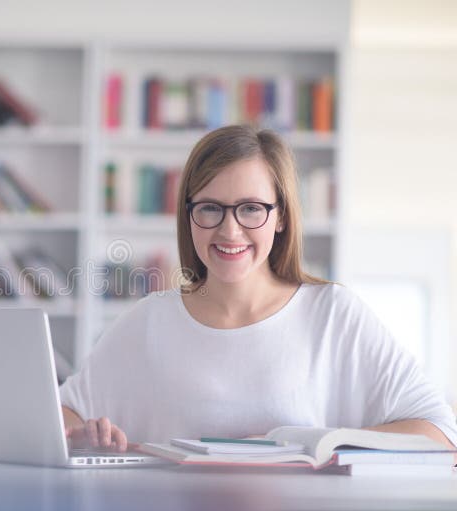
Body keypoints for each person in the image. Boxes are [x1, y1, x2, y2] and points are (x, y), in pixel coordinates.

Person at [60, 124, 457, 453]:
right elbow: (62, 415)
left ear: (281, 216)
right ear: (189, 214)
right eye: (210, 208)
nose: (229, 230)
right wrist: (79, 437)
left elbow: (440, 432)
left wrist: (314, 443)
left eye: (251, 208)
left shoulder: (332, 315)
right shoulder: (149, 321)